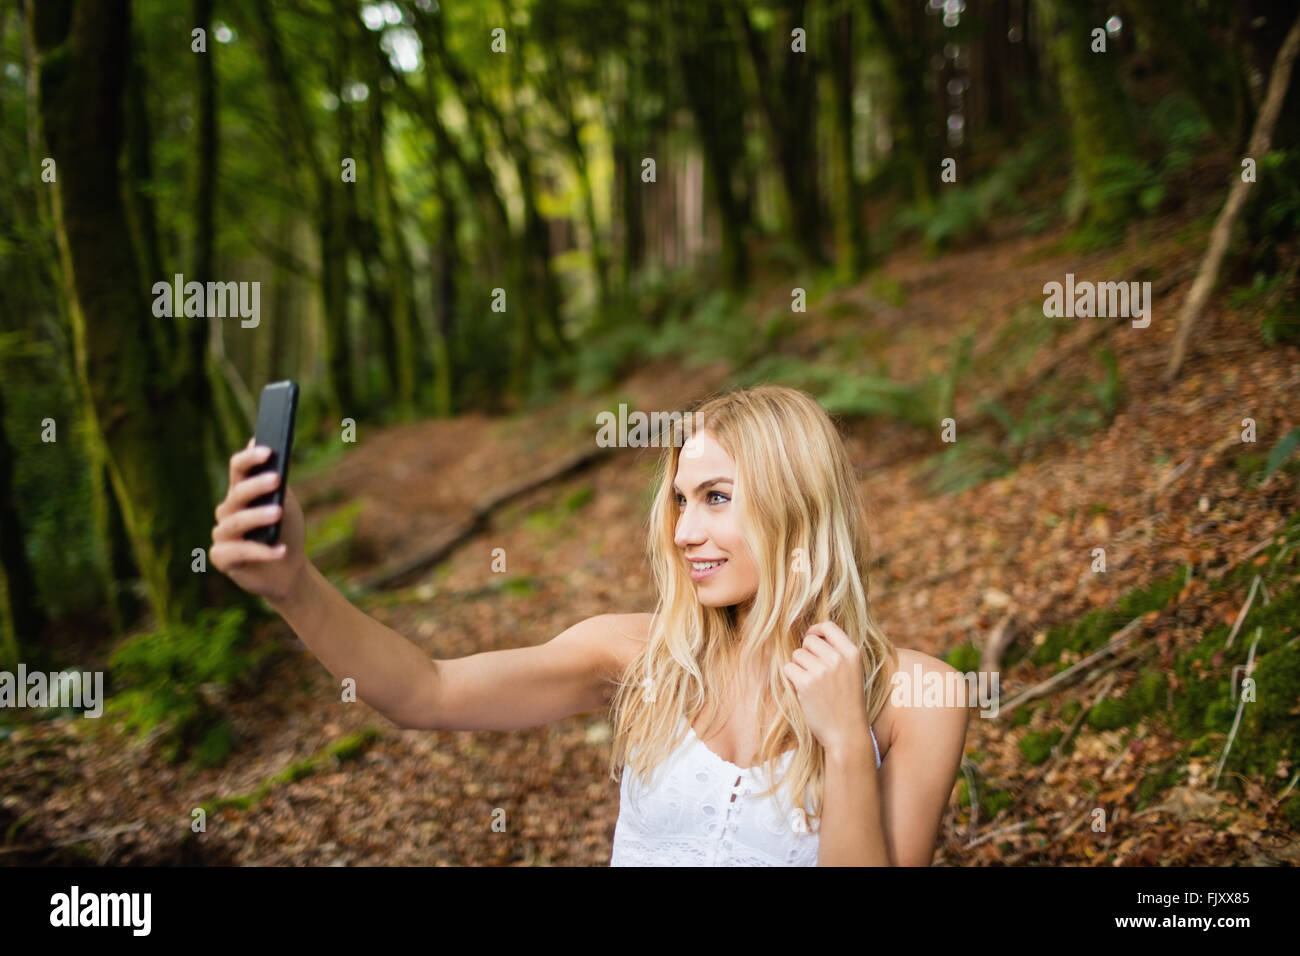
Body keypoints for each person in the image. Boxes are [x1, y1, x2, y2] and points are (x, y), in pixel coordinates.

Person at [211, 384, 969, 866]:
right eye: (680, 500)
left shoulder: (914, 698)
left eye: (715, 498)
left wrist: (841, 742)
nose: (682, 533)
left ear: (797, 503)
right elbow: (425, 691)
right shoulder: (636, 653)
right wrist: (295, 588)